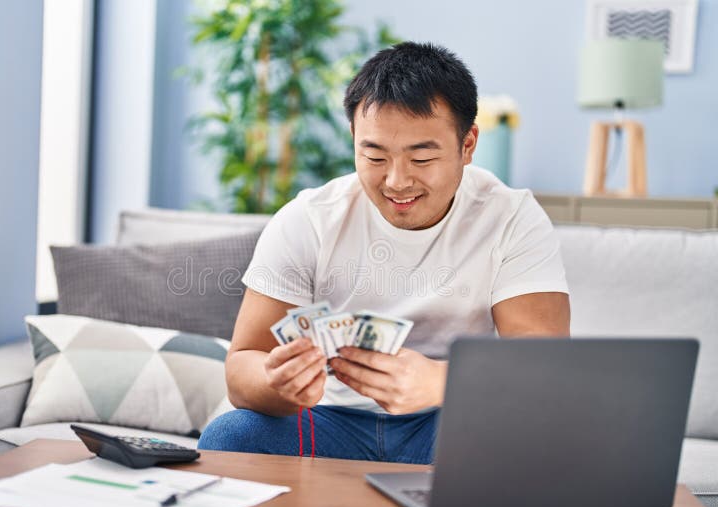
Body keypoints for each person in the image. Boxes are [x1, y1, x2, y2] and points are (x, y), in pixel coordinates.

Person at [198, 41, 570, 463]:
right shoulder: (310, 218)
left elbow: (544, 365)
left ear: (468, 145)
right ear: (354, 140)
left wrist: (442, 383)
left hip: (449, 422)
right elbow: (242, 368)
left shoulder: (510, 217)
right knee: (232, 435)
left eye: (422, 156)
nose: (396, 181)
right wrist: (278, 384)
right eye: (374, 155)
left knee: (541, 435)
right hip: (329, 419)